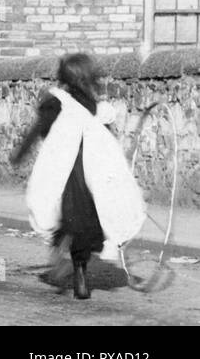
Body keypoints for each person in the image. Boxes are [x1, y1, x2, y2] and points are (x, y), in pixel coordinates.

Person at [10, 52, 146, 300]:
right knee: (87, 222)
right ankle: (79, 273)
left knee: (65, 220)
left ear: (64, 77)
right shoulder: (94, 106)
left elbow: (38, 130)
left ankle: (70, 270)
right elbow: (105, 139)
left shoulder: (56, 102)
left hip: (66, 173)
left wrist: (20, 154)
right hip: (92, 174)